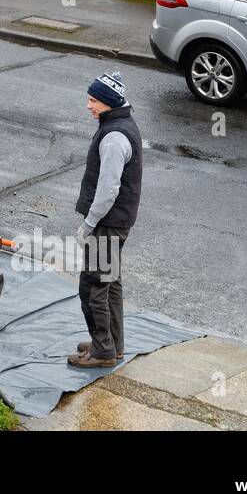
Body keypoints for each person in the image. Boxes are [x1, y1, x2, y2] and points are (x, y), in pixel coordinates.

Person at [69, 70, 142, 369]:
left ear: (109, 102)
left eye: (94, 100)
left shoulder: (113, 137)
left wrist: (89, 223)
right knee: (110, 283)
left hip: (107, 223)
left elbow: (109, 188)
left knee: (93, 287)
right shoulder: (121, 124)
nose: (89, 105)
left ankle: (102, 352)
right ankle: (113, 343)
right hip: (119, 221)